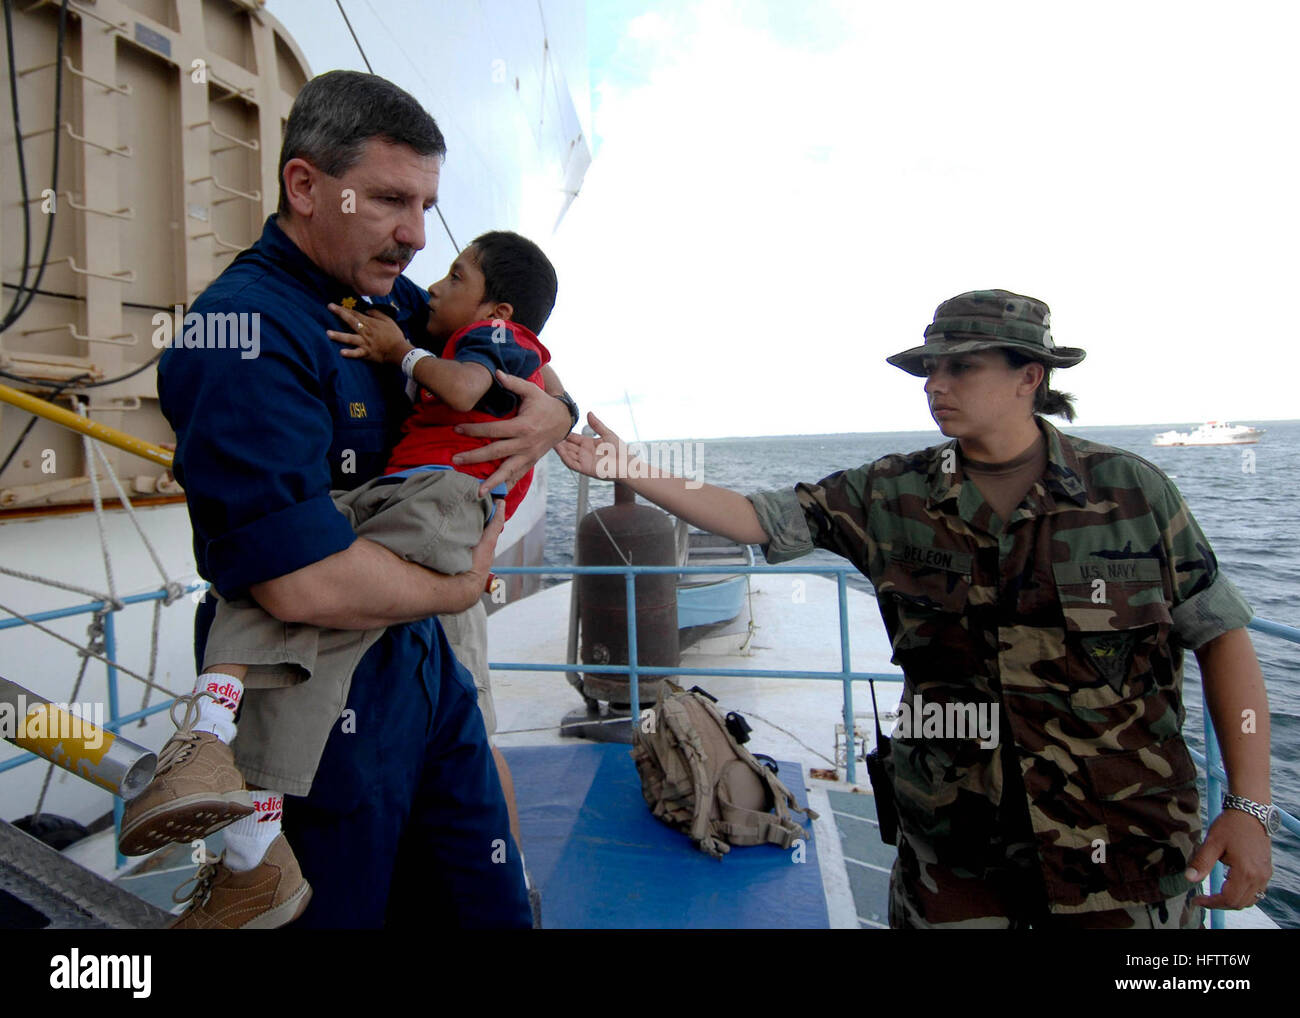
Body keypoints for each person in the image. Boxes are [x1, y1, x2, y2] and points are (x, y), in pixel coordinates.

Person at [557, 289, 1276, 929]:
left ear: (1031, 376)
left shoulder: (1133, 494)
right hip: (957, 852)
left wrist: (1247, 806)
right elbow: (753, 517)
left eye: (961, 367)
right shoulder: (890, 495)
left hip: (1121, 847)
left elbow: (1221, 638)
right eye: (929, 370)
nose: (936, 385)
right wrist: (628, 467)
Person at [146, 70, 574, 929]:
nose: (415, 235)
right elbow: (302, 586)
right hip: (318, 692)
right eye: (388, 200)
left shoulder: (381, 294)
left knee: (482, 899)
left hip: (421, 673)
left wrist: (551, 416)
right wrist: (459, 589)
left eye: (425, 205)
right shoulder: (241, 335)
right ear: (305, 187)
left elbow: (513, 351)